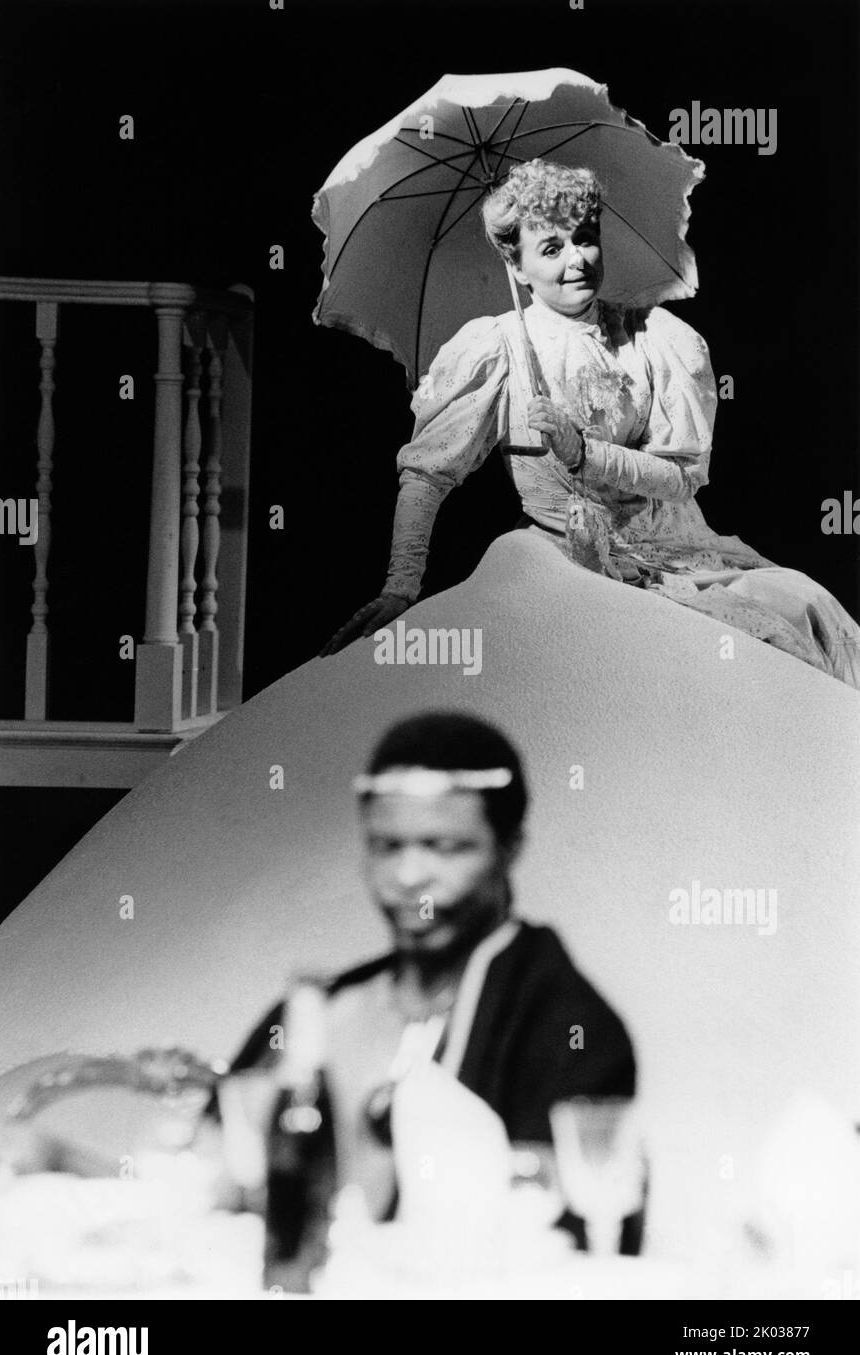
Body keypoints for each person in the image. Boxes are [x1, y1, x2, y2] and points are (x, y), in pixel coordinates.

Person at [321, 159, 860, 688]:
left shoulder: (656, 338)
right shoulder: (495, 347)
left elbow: (682, 477)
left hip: (679, 554)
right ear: (516, 266)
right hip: (563, 555)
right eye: (551, 249)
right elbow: (427, 476)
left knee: (801, 608)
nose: (576, 260)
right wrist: (400, 587)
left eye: (585, 237)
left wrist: (584, 452)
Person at [227, 709, 642, 1252]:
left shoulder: (570, 1027)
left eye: (444, 848)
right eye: (386, 846)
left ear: (510, 846)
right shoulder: (325, 1010)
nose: (408, 878)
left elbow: (565, 1257)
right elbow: (218, 1187)